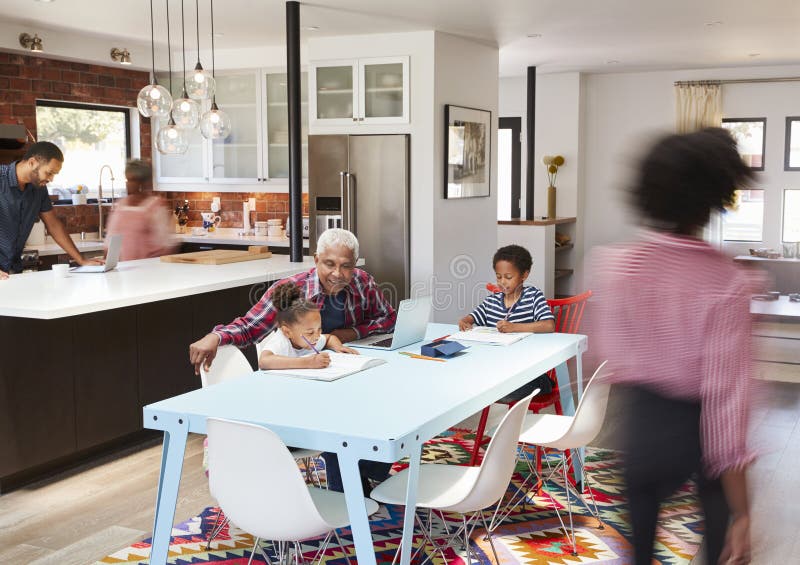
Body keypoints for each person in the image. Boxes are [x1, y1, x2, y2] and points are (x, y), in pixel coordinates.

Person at [588, 127, 759, 565]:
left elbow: (607, 355)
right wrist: (743, 512)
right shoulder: (728, 283)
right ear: (716, 199)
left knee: (639, 552)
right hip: (698, 435)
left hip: (640, 430)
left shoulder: (614, 266)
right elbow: (726, 403)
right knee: (721, 550)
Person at [189, 228, 397, 494]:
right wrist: (215, 337)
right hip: (300, 397)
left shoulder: (362, 283)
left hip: (344, 376)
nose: (337, 273)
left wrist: (347, 334)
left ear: (355, 265)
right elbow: (250, 327)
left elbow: (388, 318)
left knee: (382, 400)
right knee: (339, 416)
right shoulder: (291, 292)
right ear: (316, 260)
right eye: (329, 264)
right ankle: (349, 496)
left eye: (346, 266)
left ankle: (370, 469)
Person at [458, 244, 556, 397]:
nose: (502, 282)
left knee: (501, 389)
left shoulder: (533, 296)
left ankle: (543, 383)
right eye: (498, 276)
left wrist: (515, 327)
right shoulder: (492, 301)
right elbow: (472, 317)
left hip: (526, 369)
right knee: (474, 380)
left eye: (508, 277)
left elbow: (549, 325)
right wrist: (465, 321)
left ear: (524, 275)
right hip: (499, 368)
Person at [0, 141, 103, 278]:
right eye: (49, 173)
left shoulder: (39, 189)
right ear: (32, 162)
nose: (51, 179)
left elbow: (54, 225)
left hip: (13, 272)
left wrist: (81, 260)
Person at [258, 282, 359, 370]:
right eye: (310, 332)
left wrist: (338, 347)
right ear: (287, 332)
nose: (317, 336)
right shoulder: (281, 342)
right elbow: (264, 361)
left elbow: (329, 338)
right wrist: (307, 362)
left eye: (319, 329)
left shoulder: (312, 340)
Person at [104, 159, 176, 261]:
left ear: (143, 182)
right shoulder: (120, 206)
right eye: (128, 180)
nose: (129, 184)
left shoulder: (155, 206)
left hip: (148, 269)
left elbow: (165, 244)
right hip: (123, 270)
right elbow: (110, 240)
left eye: (133, 180)